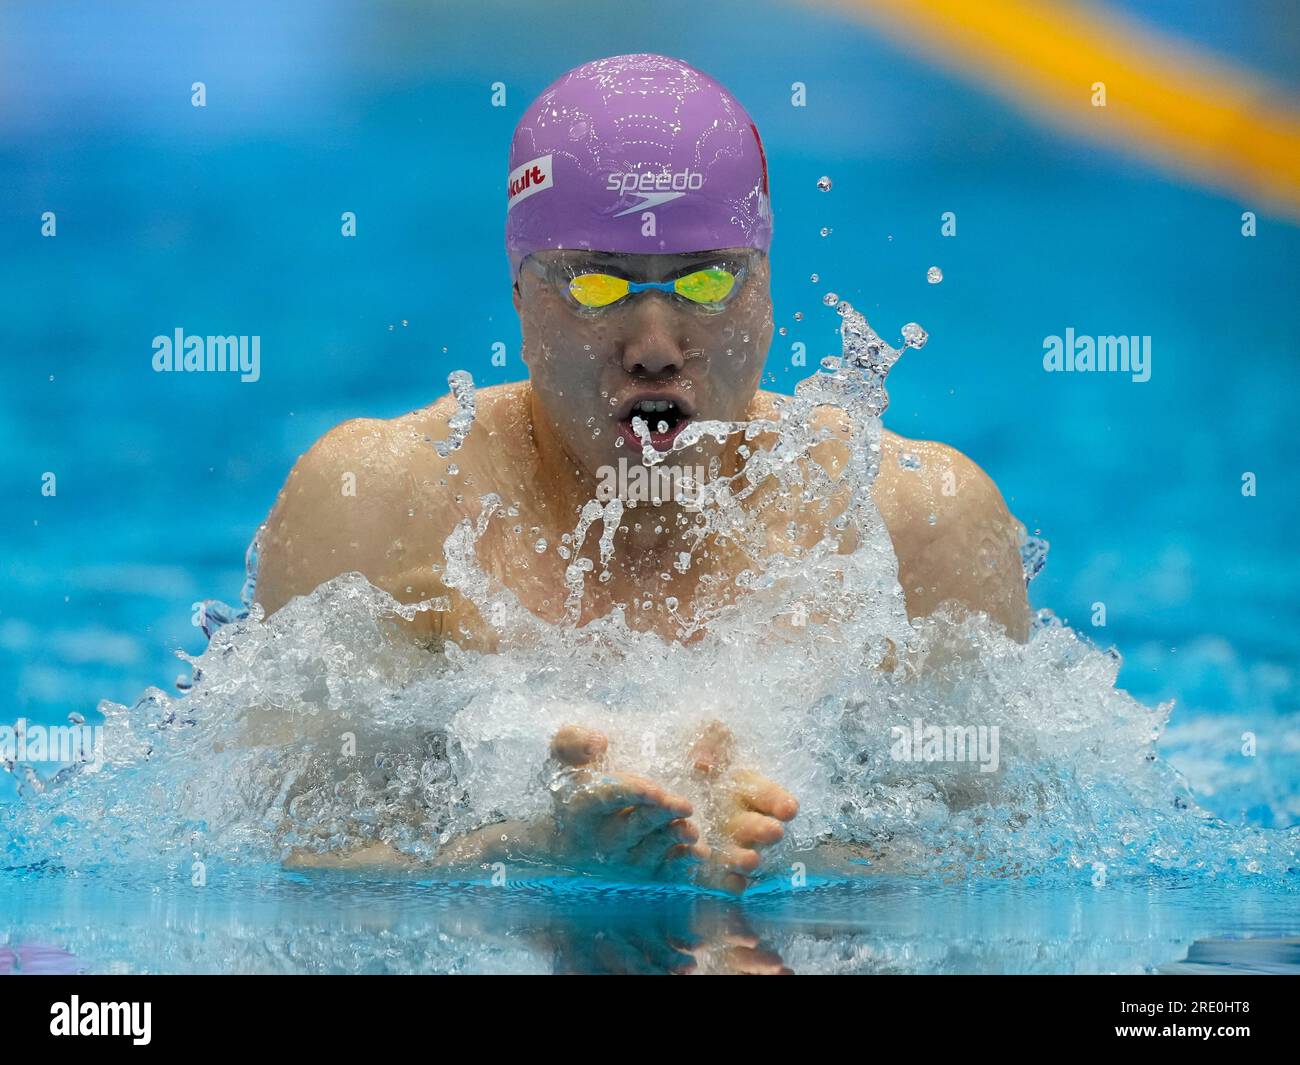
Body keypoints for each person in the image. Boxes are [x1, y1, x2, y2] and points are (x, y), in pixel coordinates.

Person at [259, 54, 1030, 891]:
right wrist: (525, 850)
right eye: (595, 285)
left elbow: (1008, 872)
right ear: (520, 296)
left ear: (768, 291)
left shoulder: (920, 522)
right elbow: (286, 871)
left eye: (706, 281)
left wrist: (786, 855)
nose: (656, 347)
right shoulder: (379, 505)